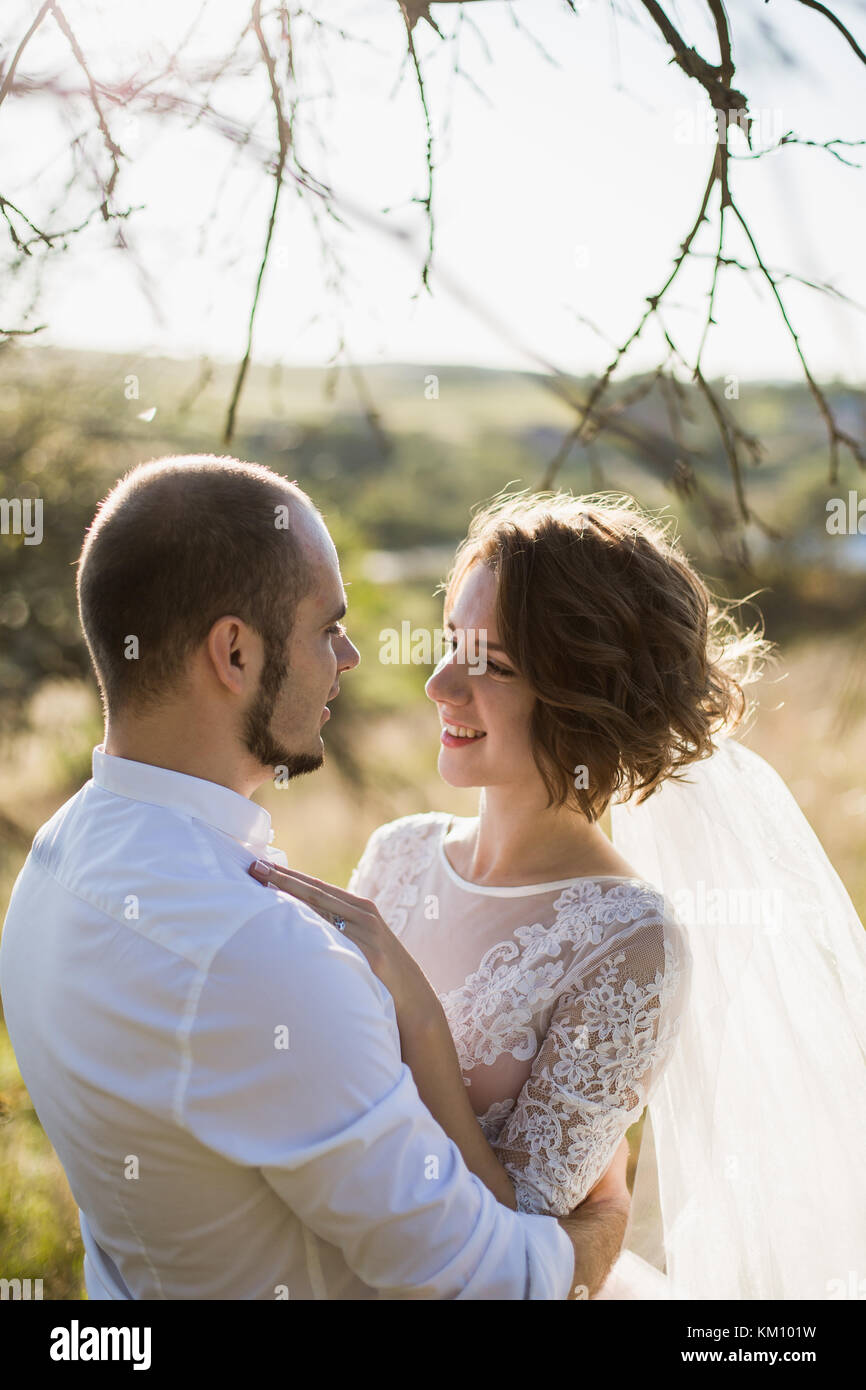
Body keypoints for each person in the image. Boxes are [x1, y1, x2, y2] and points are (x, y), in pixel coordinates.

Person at [0, 455, 629, 1301]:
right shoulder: (258, 958)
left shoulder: (56, 859)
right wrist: (602, 1225)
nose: (352, 654)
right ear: (234, 652)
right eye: (327, 627)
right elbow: (490, 1286)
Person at [253, 489, 866, 1300]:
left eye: (494, 665)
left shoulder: (631, 941)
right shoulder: (396, 856)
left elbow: (517, 1254)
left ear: (587, 698)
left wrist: (421, 1015)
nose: (440, 685)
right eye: (450, 645)